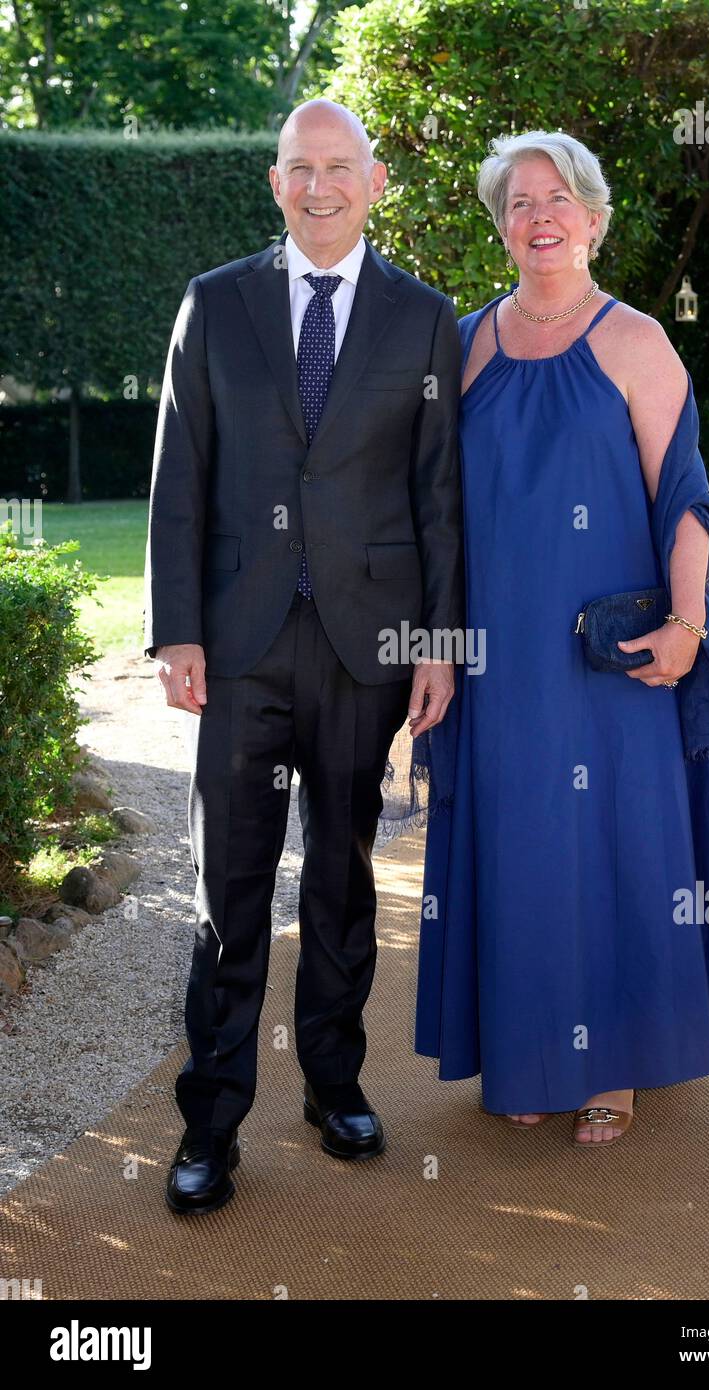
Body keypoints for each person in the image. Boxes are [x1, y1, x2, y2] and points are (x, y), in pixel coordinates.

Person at [412, 131, 709, 1145]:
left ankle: (612, 1063)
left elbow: (688, 502)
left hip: (606, 658)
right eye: (520, 203)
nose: (540, 217)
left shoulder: (635, 340)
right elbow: (433, 510)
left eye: (558, 199)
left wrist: (685, 624)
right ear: (502, 226)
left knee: (613, 847)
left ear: (594, 218)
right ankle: (531, 1054)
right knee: (520, 850)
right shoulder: (469, 342)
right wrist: (435, 649)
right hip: (499, 658)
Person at [144, 99, 463, 1213]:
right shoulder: (214, 303)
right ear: (273, 182)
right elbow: (178, 472)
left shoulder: (425, 318)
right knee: (229, 890)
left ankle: (335, 1084)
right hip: (236, 643)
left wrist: (434, 642)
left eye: (340, 168)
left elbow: (438, 498)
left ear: (374, 181)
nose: (319, 187)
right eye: (299, 169)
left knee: (341, 875)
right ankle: (210, 1122)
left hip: (366, 644)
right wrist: (176, 628)